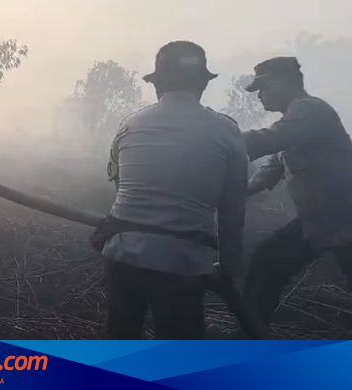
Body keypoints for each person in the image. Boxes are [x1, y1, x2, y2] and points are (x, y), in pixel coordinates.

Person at [92, 41, 249, 339]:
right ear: (202, 84)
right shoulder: (227, 132)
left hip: (123, 256)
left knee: (120, 341)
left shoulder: (130, 124)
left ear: (157, 84)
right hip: (182, 263)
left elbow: (121, 189)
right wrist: (228, 268)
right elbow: (232, 212)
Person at [242, 57, 352, 324]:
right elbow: (272, 167)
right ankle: (251, 337)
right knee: (266, 264)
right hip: (321, 221)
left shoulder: (309, 110)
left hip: (344, 218)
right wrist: (237, 193)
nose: (260, 96)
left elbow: (269, 140)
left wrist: (216, 137)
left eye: (263, 88)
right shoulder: (296, 119)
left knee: (267, 264)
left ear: (283, 82)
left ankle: (251, 338)